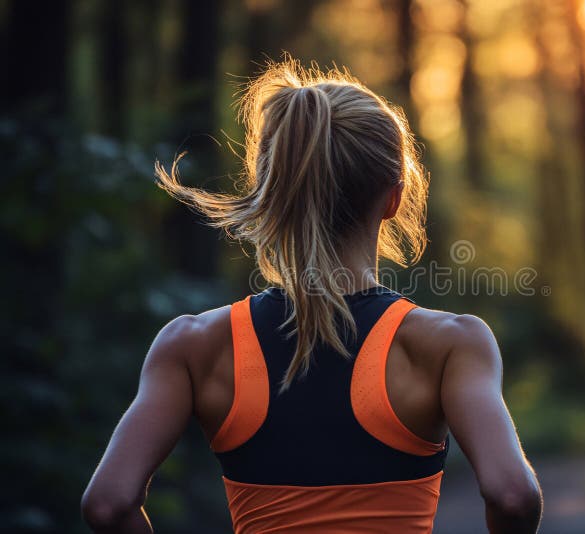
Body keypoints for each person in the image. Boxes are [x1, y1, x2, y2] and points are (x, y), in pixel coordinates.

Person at [81, 59, 542, 534]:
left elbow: (108, 505)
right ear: (393, 200)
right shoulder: (448, 345)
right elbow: (512, 496)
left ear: (271, 191)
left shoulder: (194, 345)